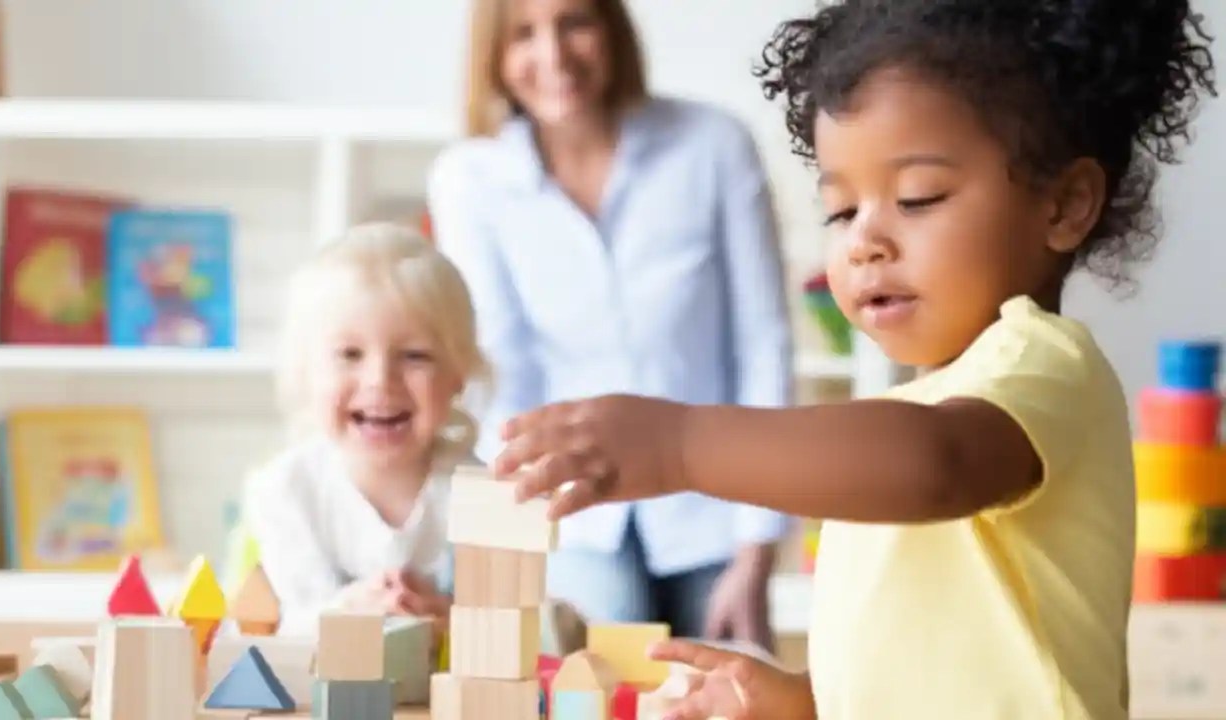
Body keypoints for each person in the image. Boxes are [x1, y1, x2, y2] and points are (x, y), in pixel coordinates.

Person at [491, 0, 1217, 717]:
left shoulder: (1042, 367)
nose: (864, 241)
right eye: (841, 212)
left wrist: (681, 444)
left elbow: (936, 467)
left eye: (918, 197)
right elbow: (909, 658)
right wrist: (802, 698)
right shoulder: (904, 421)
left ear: (1064, 204)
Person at [428, 0, 795, 648]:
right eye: (523, 34)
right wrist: (520, 539)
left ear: (612, 29)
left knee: (730, 677)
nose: (554, 55)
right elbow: (498, 371)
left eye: (575, 23)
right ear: (494, 53)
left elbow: (763, 344)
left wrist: (756, 551)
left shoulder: (713, 146)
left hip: (717, 506)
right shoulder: (469, 180)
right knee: (596, 668)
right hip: (573, 513)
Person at [240, 222, 486, 643]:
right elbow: (279, 631)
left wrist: (452, 620)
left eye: (415, 356)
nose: (379, 380)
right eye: (349, 354)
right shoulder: (285, 491)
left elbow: (519, 631)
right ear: (306, 373)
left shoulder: (484, 495)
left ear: (458, 374)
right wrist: (350, 613)